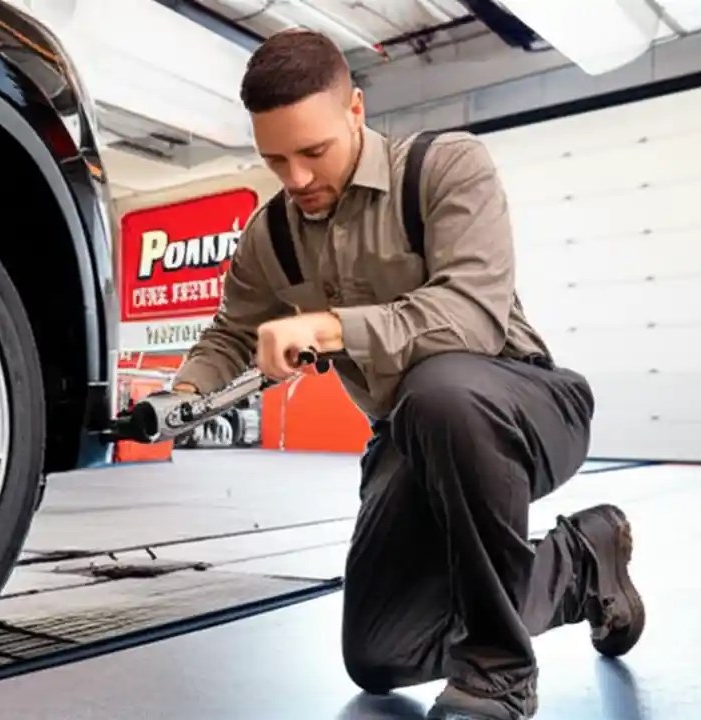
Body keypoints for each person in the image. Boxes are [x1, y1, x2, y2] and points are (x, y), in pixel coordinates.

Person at [169, 28, 645, 720]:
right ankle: (582, 564)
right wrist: (179, 395)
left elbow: (471, 317)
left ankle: (499, 672)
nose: (296, 179)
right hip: (410, 438)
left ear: (355, 110)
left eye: (313, 151)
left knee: (441, 389)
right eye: (274, 159)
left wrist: (327, 326)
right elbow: (230, 334)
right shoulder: (269, 235)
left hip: (524, 408)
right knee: (380, 653)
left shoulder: (446, 167)